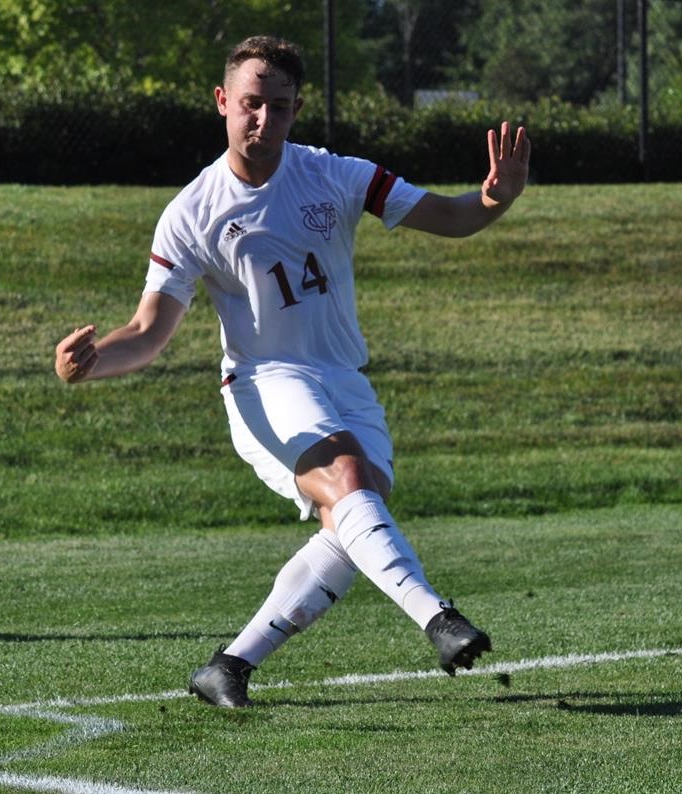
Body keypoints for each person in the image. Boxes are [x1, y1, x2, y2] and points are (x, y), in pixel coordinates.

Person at [55, 35, 531, 708]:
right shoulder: (191, 212)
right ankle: (439, 618)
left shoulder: (336, 175)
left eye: (278, 108)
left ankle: (229, 667)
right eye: (249, 104)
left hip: (342, 380)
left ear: (295, 109)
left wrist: (494, 200)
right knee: (349, 481)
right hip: (263, 384)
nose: (262, 121)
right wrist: (93, 362)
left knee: (354, 522)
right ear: (222, 101)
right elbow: (147, 332)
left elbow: (450, 215)